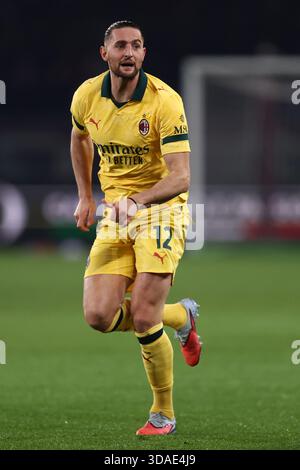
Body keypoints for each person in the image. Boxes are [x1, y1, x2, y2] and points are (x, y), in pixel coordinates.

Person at [70, 20, 202, 436]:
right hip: (116, 212)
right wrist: (87, 196)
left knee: (144, 317)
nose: (130, 53)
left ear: (144, 54)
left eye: (138, 46)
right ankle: (181, 316)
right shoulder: (87, 96)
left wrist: (137, 201)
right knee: (98, 315)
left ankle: (163, 414)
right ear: (104, 53)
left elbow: (181, 177)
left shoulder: (165, 101)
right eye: (122, 46)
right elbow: (79, 138)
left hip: (161, 209)